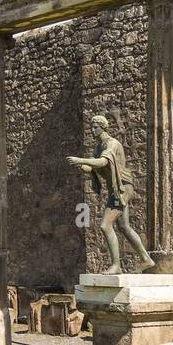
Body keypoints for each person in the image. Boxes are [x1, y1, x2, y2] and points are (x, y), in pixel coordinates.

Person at [65, 114, 155, 274]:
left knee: (105, 225)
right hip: (117, 188)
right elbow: (93, 168)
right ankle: (146, 259)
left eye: (95, 127)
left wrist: (81, 159)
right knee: (124, 227)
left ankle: (116, 266)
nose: (92, 130)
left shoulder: (112, 144)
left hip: (122, 187)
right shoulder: (98, 147)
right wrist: (81, 166)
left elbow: (102, 162)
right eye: (91, 127)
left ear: (103, 127)